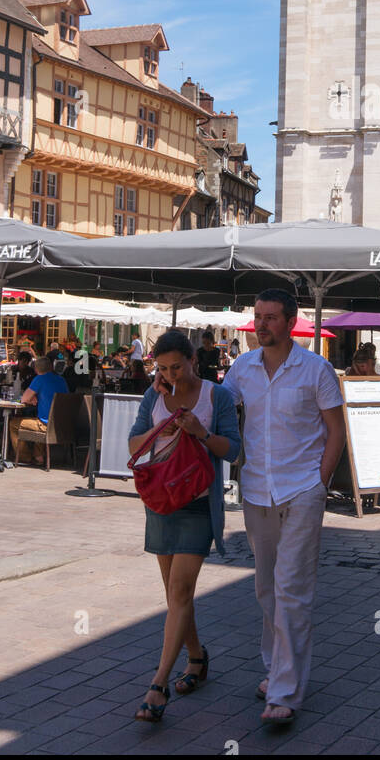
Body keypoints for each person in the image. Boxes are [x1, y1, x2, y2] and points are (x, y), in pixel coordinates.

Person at [221, 289, 346, 726]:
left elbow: (336, 431)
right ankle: (275, 668)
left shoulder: (316, 370)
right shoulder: (242, 368)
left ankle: (285, 693)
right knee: (266, 588)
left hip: (301, 491)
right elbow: (219, 408)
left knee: (292, 589)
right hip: (256, 490)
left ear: (291, 321)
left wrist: (320, 481)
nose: (261, 325)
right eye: (257, 317)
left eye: (271, 317)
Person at [129, 329, 241, 722]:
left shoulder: (218, 396)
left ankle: (158, 685)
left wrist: (200, 433)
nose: (172, 374)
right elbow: (133, 445)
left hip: (197, 506)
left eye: (178, 366)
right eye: (163, 368)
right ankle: (196, 658)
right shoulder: (154, 395)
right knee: (176, 596)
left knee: (180, 590)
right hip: (161, 502)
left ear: (194, 360)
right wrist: (162, 426)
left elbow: (234, 450)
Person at [8, 356, 69, 466]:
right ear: (51, 367)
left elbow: (24, 399)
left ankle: (24, 456)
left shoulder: (39, 379)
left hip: (46, 425)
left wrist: (31, 400)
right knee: (38, 419)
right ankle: (38, 456)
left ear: (36, 369)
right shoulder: (62, 380)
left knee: (14, 423)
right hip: (63, 425)